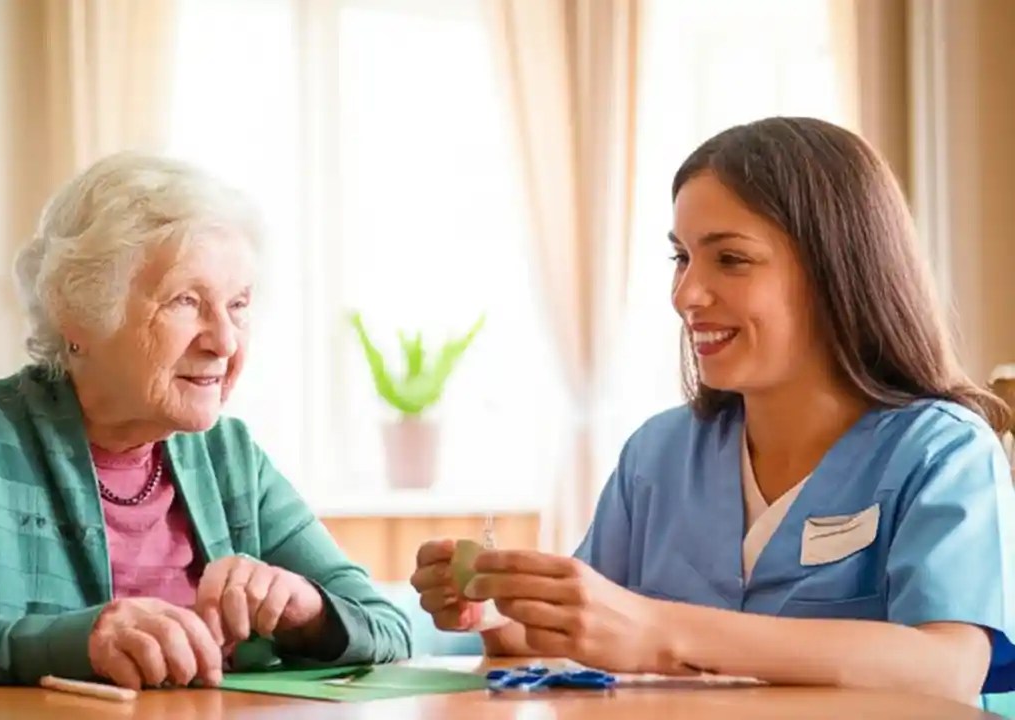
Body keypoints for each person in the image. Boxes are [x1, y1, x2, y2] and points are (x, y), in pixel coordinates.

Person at [412, 116, 1015, 703]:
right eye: (682, 258)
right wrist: (498, 606)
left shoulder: (944, 453)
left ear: (837, 270)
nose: (686, 295)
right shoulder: (657, 456)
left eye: (730, 259)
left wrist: (662, 634)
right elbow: (588, 632)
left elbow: (950, 667)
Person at [0, 152, 411, 694]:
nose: (223, 340)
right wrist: (67, 644)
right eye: (186, 301)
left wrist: (308, 613)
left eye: (239, 305)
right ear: (79, 311)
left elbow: (388, 629)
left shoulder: (229, 457)